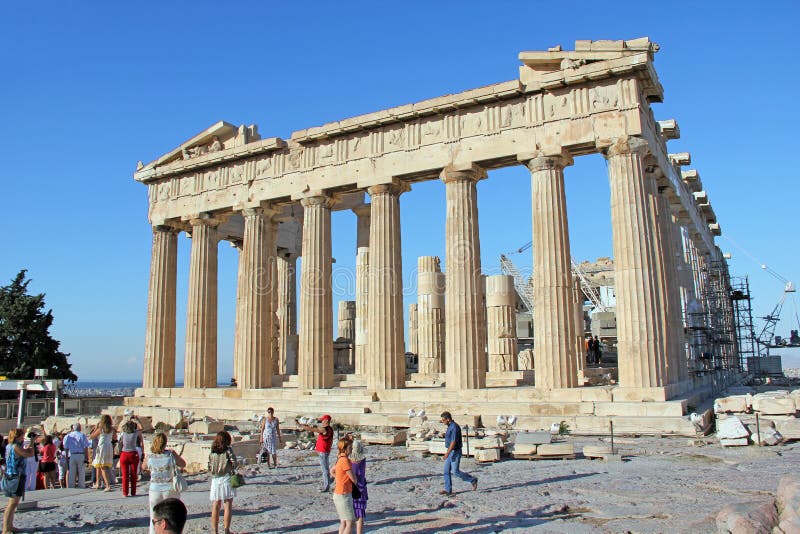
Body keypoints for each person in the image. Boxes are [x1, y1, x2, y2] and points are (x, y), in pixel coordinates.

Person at [142, 433, 186, 534]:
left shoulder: (150, 456)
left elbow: (143, 467)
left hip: (155, 489)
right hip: (170, 488)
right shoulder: (171, 454)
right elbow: (183, 464)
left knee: (154, 517)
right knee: (172, 516)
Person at [3, 428, 34, 534]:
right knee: (12, 503)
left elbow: (26, 452)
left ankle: (10, 526)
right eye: (22, 435)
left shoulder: (10, 446)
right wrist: (32, 442)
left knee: (13, 503)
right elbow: (29, 454)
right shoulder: (15, 446)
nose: (23, 437)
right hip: (15, 477)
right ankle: (6, 529)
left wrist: (31, 443)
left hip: (12, 476)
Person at [439, 411, 477, 495]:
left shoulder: (454, 427)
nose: (442, 421)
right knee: (446, 471)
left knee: (455, 471)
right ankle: (448, 489)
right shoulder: (450, 426)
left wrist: (447, 453)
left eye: (443, 420)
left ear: (448, 419)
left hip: (455, 451)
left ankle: (472, 480)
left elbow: (453, 442)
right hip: (450, 451)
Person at [208, 431, 236, 534]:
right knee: (227, 505)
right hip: (227, 478)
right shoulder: (228, 450)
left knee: (216, 505)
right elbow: (234, 463)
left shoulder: (213, 451)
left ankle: (215, 531)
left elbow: (209, 466)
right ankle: (226, 530)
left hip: (215, 479)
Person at [298, 414, 334, 492]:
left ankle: (326, 486)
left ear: (326, 421)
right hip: (323, 451)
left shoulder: (326, 429)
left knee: (325, 469)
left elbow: (314, 429)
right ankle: (327, 483)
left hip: (323, 451)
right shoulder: (328, 428)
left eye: (323, 420)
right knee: (325, 468)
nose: (322, 422)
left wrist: (303, 426)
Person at [330, 437, 356, 534]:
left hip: (338, 493)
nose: (351, 450)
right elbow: (353, 479)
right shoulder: (345, 460)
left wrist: (339, 479)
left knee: (344, 522)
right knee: (350, 523)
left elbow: (332, 471)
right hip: (344, 494)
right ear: (345, 448)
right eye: (350, 448)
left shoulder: (339, 458)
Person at [89, 414, 116, 491]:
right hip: (109, 446)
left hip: (102, 447)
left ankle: (107, 485)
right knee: (100, 465)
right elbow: (114, 437)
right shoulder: (112, 429)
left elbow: (91, 436)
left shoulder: (101, 429)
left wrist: (95, 428)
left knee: (102, 466)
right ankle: (97, 483)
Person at [349, 438, 368, 534]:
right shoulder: (363, 460)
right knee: (360, 514)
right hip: (361, 487)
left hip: (351, 488)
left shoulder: (349, 461)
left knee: (351, 513)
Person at [119, 419, 142, 497]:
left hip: (124, 454)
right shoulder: (135, 433)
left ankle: (125, 493)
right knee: (133, 474)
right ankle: (133, 492)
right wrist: (137, 421)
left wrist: (124, 420)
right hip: (133, 453)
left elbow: (119, 427)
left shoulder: (123, 433)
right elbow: (141, 428)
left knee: (125, 475)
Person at [63, 423, 90, 488]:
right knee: (81, 471)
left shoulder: (68, 436)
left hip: (72, 455)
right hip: (81, 454)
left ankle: (71, 486)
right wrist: (86, 457)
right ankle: (81, 485)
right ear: (80, 428)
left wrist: (66, 458)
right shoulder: (82, 435)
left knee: (72, 471)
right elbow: (85, 447)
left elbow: (66, 448)